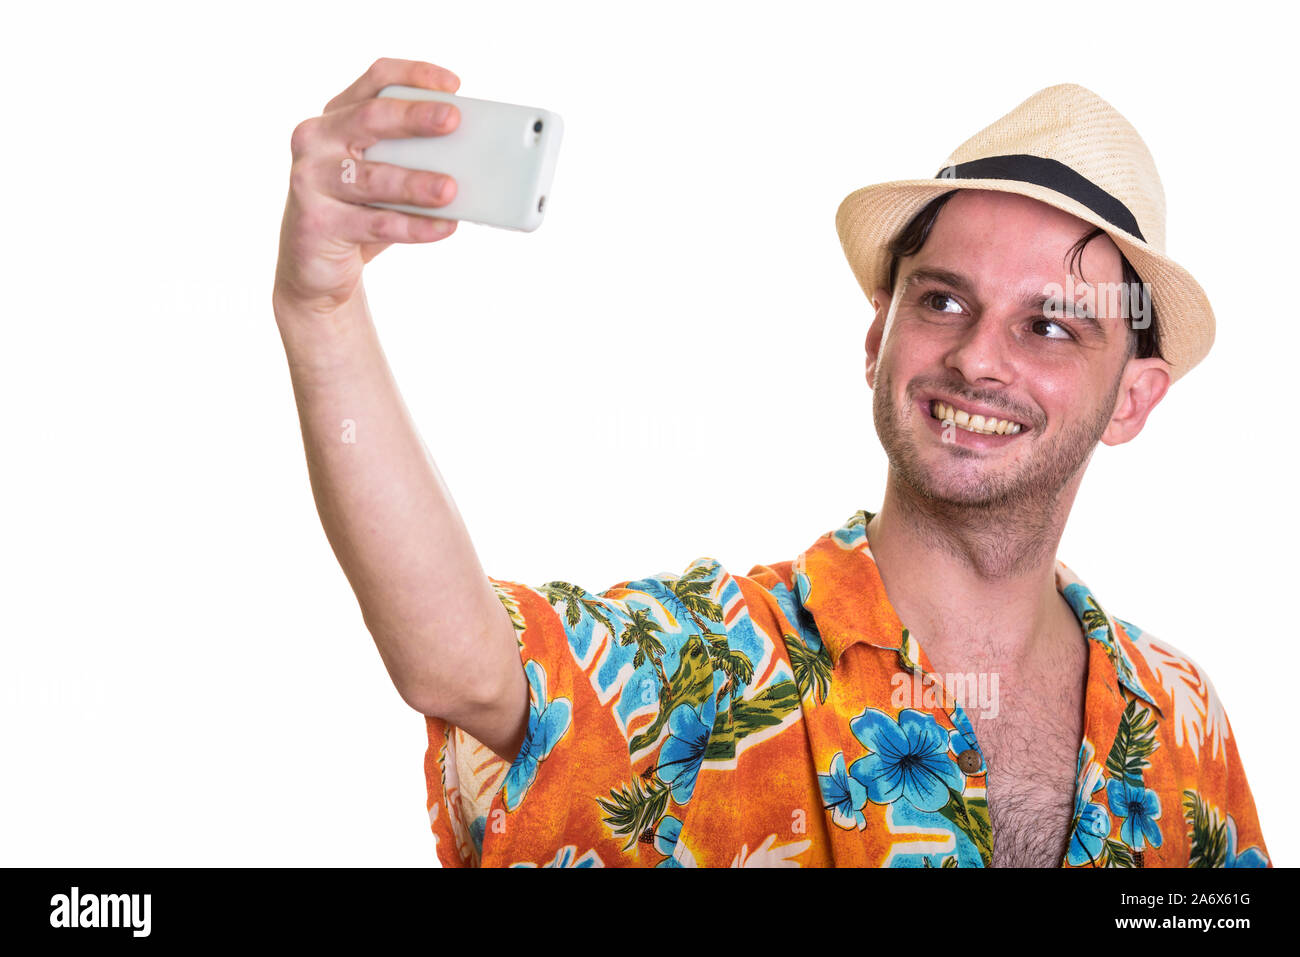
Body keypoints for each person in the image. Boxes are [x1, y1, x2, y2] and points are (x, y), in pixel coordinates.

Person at [273, 59, 1269, 868]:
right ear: (877, 339)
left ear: (1131, 398)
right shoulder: (718, 666)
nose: (977, 358)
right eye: (943, 302)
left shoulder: (1178, 719)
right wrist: (322, 315)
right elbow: (461, 663)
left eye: (1049, 325)